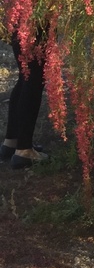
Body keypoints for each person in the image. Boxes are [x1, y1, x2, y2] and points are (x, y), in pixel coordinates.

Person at [1, 33, 48, 169]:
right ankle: (24, 150)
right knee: (33, 76)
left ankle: (12, 142)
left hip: (20, 17)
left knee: (26, 74)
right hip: (31, 18)